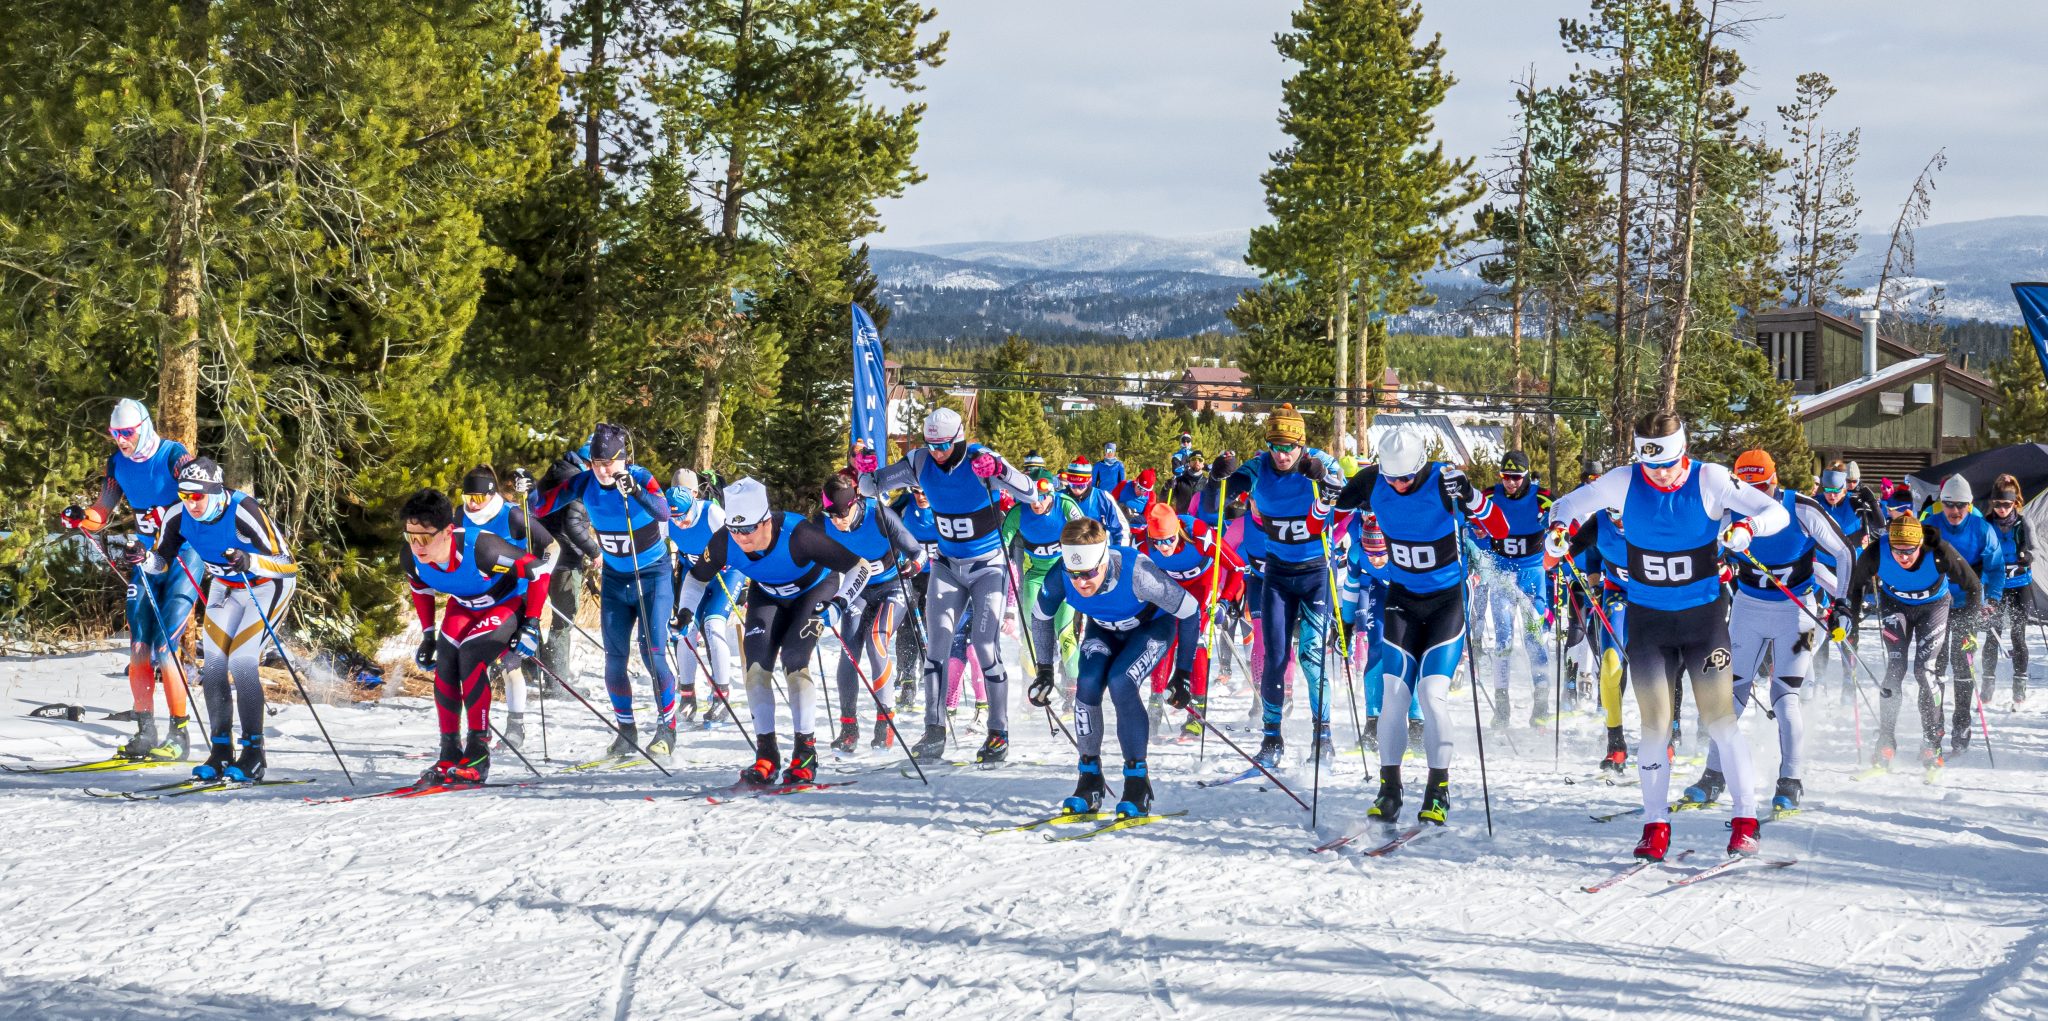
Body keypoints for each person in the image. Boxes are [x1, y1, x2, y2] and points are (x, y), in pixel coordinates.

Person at [1544, 413, 1788, 861]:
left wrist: (1748, 528)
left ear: (1684, 453)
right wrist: (1558, 531)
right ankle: (1655, 825)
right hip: (1650, 623)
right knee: (1655, 727)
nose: (1661, 475)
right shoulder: (1624, 480)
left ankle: (1746, 820)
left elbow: (1776, 511)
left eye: (1669, 465)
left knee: (1720, 723)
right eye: (1652, 467)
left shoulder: (1710, 479)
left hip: (1703, 622)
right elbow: (1565, 505)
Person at [1330, 427, 1509, 825]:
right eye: (1392, 478)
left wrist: (1474, 498)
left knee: (1431, 695)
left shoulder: (1445, 482)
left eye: (1406, 478)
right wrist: (1326, 495)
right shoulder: (1372, 482)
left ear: (1420, 466)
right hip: (1402, 600)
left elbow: (1500, 531)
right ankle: (1389, 789)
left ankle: (1438, 790)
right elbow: (1326, 521)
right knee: (1393, 695)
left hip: (1446, 604)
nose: (1398, 485)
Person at [854, 408, 1038, 763]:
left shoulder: (981, 459)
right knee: (936, 648)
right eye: (932, 444)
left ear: (959, 439)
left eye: (944, 445)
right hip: (947, 566)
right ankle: (934, 730)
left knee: (985, 645)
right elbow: (869, 487)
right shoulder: (919, 461)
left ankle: (998, 732)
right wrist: (865, 467)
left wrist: (1001, 471)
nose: (937, 452)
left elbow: (1030, 493)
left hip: (988, 566)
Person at [676, 478, 872, 783]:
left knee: (795, 660)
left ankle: (805, 754)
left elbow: (860, 567)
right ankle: (766, 756)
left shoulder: (800, 535)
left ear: (766, 521)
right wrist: (685, 612)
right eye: (734, 529)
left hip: (815, 591)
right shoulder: (724, 541)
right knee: (755, 669)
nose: (740, 538)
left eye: (748, 529)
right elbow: (696, 578)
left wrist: (838, 604)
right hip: (767, 594)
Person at [1688, 450, 1852, 814]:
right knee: (1729, 696)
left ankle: (1790, 782)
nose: (1755, 493)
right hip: (1747, 608)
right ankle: (1714, 776)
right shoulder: (1729, 513)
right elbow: (1699, 551)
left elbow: (1844, 553)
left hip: (1797, 614)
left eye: (1761, 485)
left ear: (1775, 481)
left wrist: (1842, 604)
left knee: (1786, 696)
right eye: (1747, 486)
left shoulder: (1803, 509)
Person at [127, 458, 295, 782]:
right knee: (214, 666)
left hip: (266, 585)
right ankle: (220, 752)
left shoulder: (243, 510)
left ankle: (253, 754)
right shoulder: (178, 515)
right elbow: (161, 563)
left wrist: (251, 560)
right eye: (184, 495)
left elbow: (287, 564)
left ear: (215, 493)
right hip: (225, 587)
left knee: (242, 662)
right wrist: (144, 559)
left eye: (197, 496)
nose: (190, 504)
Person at [1027, 518, 1199, 818]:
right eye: (1074, 574)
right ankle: (1090, 779)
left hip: (1150, 627)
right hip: (1103, 629)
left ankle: (1137, 782)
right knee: (1087, 683)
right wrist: (1044, 669)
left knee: (1121, 681)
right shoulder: (1060, 576)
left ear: (1104, 560)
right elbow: (1041, 616)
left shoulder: (1138, 573)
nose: (1081, 583)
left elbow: (1190, 610)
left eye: (1090, 573)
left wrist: (1183, 674)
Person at [1212, 406, 1352, 768]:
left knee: (1311, 656)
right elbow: (1230, 486)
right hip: (1276, 574)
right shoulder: (1260, 467)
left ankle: (1323, 738)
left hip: (1315, 575)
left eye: (1289, 446)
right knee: (1275, 655)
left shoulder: (1319, 462)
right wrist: (1219, 475)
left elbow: (1347, 496)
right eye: (1275, 445)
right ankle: (1271, 738)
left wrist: (1324, 478)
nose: (1282, 454)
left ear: (1302, 444)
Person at [61, 399, 201, 760]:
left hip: (183, 556)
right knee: (139, 647)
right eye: (115, 434)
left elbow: (199, 486)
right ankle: (145, 731)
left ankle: (179, 734)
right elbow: (101, 513)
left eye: (127, 433)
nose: (121, 440)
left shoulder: (172, 454)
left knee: (165, 647)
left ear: (144, 427)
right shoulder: (117, 464)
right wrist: (80, 517)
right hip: (144, 558)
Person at [399, 488, 555, 783]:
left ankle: (478, 752)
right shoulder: (411, 558)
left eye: (425, 538)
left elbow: (538, 572)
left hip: (508, 603)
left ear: (447, 531)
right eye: (410, 536)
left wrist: (531, 624)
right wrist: (428, 635)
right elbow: (421, 591)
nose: (417, 545)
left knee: (470, 655)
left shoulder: (481, 548)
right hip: (466, 606)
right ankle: (449, 753)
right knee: (446, 661)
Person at [557, 423, 680, 763]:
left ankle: (667, 729)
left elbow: (664, 511)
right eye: (597, 462)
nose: (603, 469)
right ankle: (626, 731)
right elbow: (542, 505)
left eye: (609, 462)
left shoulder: (640, 475)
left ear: (623, 459)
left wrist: (637, 491)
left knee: (654, 654)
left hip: (653, 576)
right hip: (615, 579)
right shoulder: (587, 482)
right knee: (614, 661)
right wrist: (528, 489)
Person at [1844, 514, 1984, 770]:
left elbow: (1974, 586)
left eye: (1909, 551)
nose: (1903, 557)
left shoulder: (1940, 550)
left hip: (1934, 607)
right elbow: (1854, 586)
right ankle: (1886, 740)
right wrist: (1852, 626)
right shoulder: (1876, 552)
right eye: (1898, 551)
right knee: (1895, 669)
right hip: (1895, 605)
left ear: (1920, 544)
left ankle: (1932, 742)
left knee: (1925, 670)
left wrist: (1969, 629)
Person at [818, 472, 924, 752]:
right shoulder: (824, 524)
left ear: (855, 503)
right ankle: (849, 727)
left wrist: (913, 567)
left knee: (877, 642)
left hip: (893, 586)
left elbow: (918, 552)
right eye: (830, 514)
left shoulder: (879, 515)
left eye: (842, 513)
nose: (837, 520)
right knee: (849, 650)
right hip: (859, 589)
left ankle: (885, 721)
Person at [1137, 503, 1244, 742]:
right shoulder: (1143, 543)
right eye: (1157, 542)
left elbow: (1237, 567)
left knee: (1193, 641)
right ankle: (1156, 703)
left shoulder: (1201, 536)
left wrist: (1224, 602)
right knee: (1164, 641)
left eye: (1168, 540)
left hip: (1201, 584)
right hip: (1170, 587)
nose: (1163, 547)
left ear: (1178, 532)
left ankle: (1196, 713)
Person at [458, 466, 546, 750]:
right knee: (472, 662)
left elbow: (549, 549)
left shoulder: (512, 514)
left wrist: (538, 580)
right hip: (478, 598)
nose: (473, 503)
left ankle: (515, 727)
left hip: (515, 598)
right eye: (468, 496)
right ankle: (477, 729)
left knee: (510, 664)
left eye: (479, 497)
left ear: (492, 494)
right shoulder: (459, 516)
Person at [1921, 475, 2004, 752]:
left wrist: (1991, 599)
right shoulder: (1930, 526)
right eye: (1949, 505)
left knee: (1963, 666)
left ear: (1969, 505)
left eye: (1961, 505)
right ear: (1941, 505)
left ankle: (1962, 723)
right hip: (1936, 604)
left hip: (1970, 605)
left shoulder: (1982, 530)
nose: (1955, 511)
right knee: (1936, 668)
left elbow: (1995, 568)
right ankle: (1935, 724)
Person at [526, 444, 603, 699]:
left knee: (533, 612)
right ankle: (556, 681)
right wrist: (594, 551)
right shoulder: (578, 480)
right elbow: (573, 523)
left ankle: (534, 667)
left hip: (538, 554)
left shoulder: (555, 472)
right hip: (564, 559)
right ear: (589, 462)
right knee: (564, 618)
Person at [1484, 450, 1554, 727]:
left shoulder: (1542, 497)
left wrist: (1558, 533)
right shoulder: (1490, 496)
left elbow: (1565, 520)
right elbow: (1469, 519)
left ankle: (1541, 703)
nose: (1510, 483)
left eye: (1516, 477)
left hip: (1531, 574)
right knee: (1502, 639)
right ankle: (1501, 706)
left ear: (1526, 476)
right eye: (1505, 477)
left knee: (1535, 637)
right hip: (1502, 574)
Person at [1562, 507, 1632, 772]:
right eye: (1615, 515)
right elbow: (1588, 551)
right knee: (1611, 665)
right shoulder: (1600, 521)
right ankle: (1616, 744)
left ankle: (1667, 737)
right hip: (1617, 597)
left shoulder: (1649, 516)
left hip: (1653, 601)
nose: (1620, 522)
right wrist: (1593, 581)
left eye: (1624, 515)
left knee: (1659, 670)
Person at [1344, 516, 1423, 752]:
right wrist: (1347, 624)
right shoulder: (1357, 553)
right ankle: (1373, 723)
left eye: (1381, 553)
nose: (1376, 559)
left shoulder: (1406, 550)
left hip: (1411, 595)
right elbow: (1351, 587)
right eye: (1371, 554)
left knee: (1411, 653)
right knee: (1376, 649)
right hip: (1381, 592)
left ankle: (1417, 724)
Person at [666, 469, 738, 723]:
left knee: (713, 624)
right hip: (695, 575)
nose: (679, 524)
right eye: (674, 519)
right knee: (685, 628)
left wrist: (732, 557)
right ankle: (687, 694)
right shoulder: (667, 518)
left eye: (683, 518)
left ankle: (721, 694)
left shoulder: (712, 513)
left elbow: (739, 539)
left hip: (725, 576)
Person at [1003, 477, 1084, 701]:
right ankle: (1030, 692)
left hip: (1065, 575)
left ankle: (1074, 695)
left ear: (1052, 495)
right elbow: (1001, 542)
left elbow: (1086, 534)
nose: (1036, 503)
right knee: (1030, 634)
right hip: (1035, 577)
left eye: (1042, 497)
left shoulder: (1065, 505)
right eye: (1032, 498)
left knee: (1065, 632)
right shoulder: (1019, 512)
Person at [1982, 475, 2033, 704]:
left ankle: (2019, 683)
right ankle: (1988, 681)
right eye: (1998, 504)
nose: (2002, 509)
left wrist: (2028, 556)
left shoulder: (2023, 523)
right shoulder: (1986, 523)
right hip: (1995, 585)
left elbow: (2036, 549)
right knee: (1993, 634)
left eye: (2007, 504)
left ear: (2015, 503)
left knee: (2017, 634)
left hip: (2019, 583)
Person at [890, 486, 940, 710]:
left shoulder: (943, 503)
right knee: (907, 625)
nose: (922, 496)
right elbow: (885, 525)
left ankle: (933, 678)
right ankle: (908, 680)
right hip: (912, 573)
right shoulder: (903, 504)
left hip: (940, 574)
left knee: (932, 626)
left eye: (925, 492)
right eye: (916, 491)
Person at [1061, 456, 1130, 546]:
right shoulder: (1060, 497)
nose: (1077, 490)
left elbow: (1120, 528)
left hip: (1095, 550)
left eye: (1081, 486)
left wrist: (1118, 551)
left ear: (1089, 482)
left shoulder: (1102, 497)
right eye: (1073, 485)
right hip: (1067, 550)